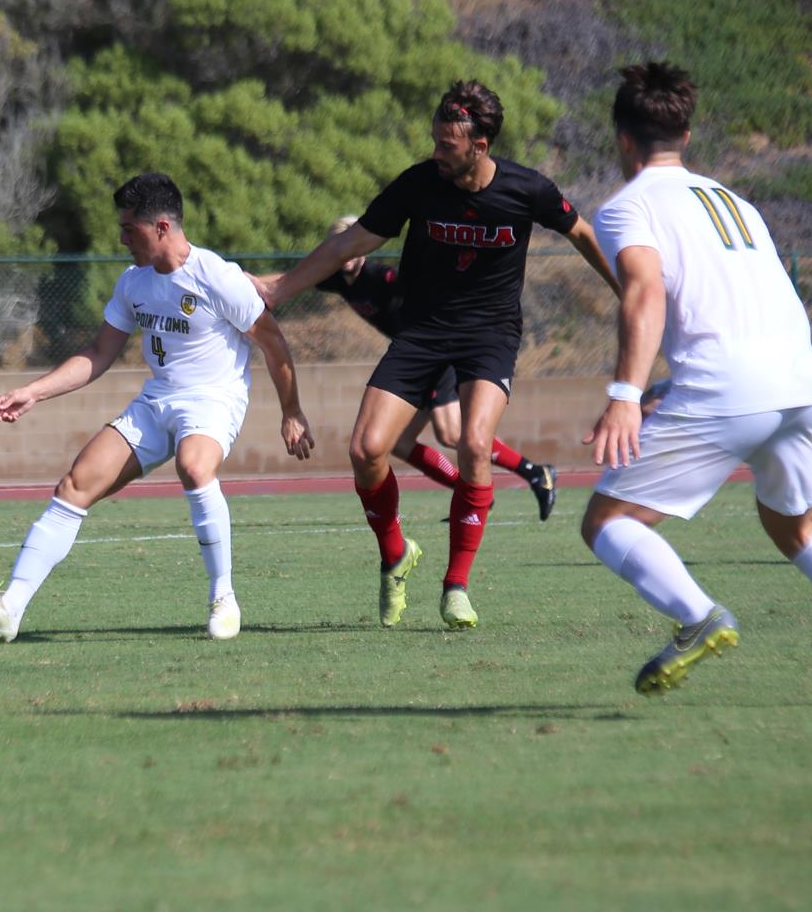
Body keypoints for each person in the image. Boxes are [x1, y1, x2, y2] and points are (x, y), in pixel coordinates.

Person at [581, 61, 812, 705]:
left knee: (607, 521)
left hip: (727, 384)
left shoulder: (627, 207)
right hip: (796, 378)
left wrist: (626, 395)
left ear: (623, 139)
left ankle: (698, 616)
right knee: (797, 529)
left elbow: (645, 292)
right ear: (686, 134)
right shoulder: (735, 202)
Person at [256, 80, 617, 631]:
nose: (436, 151)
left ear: (480, 144)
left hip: (490, 335)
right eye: (435, 139)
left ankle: (456, 587)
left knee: (472, 442)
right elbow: (347, 245)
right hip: (421, 332)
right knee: (366, 449)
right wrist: (281, 287)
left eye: (447, 144)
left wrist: (626, 291)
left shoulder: (528, 189)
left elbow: (583, 233)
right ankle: (396, 553)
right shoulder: (418, 184)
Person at [0, 172, 314, 643]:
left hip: (212, 400)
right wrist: (34, 391)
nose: (122, 239)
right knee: (75, 484)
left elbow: (275, 345)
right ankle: (10, 608)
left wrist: (291, 411)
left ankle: (223, 596)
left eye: (129, 229)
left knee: (193, 465)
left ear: (161, 227)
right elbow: (99, 354)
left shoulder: (218, 277)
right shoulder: (133, 282)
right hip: (157, 400)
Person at [314, 214, 558, 520]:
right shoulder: (337, 280)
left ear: (362, 248)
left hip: (433, 352)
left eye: (351, 245)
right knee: (401, 443)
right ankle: (469, 492)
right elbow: (295, 278)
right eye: (340, 245)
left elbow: (423, 292)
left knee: (452, 434)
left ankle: (535, 473)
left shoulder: (380, 277)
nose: (346, 253)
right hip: (416, 359)